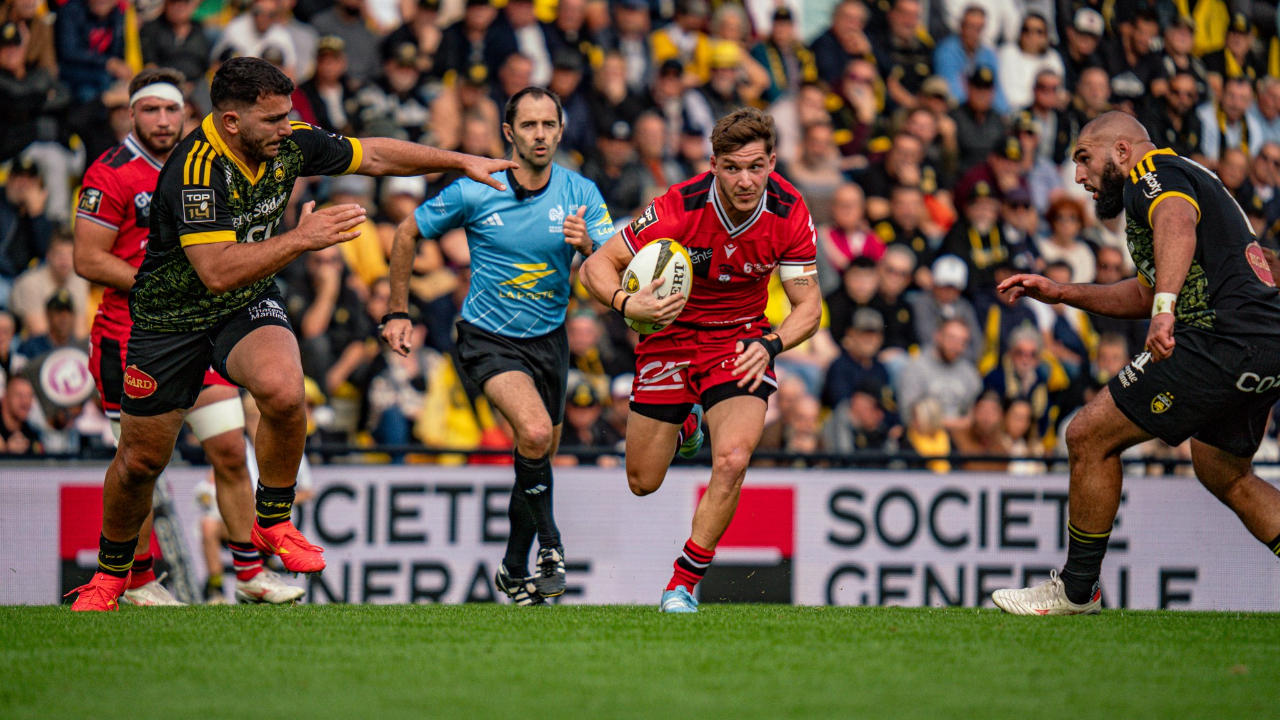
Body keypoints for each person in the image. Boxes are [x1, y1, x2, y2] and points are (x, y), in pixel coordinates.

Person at [66, 57, 515, 612]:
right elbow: (216, 271)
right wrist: (303, 239)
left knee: (283, 390)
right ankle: (113, 577)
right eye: (275, 118)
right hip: (170, 319)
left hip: (243, 302)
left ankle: (273, 522)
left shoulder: (286, 140)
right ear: (232, 123)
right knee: (140, 462)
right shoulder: (195, 168)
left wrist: (458, 160)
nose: (289, 127)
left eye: (289, 115)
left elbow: (370, 152)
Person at [993, 111, 1280, 615]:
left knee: (1088, 435)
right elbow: (1144, 291)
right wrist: (1063, 292)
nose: (1079, 175)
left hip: (1220, 337)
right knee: (1224, 472)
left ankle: (1077, 590)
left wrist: (1166, 311)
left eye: (1084, 158)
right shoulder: (1187, 177)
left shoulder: (1152, 175)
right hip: (1265, 342)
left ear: (1122, 151)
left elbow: (1175, 225)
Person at [580, 106, 822, 613]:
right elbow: (597, 265)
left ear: (773, 161)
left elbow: (810, 307)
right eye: (732, 167)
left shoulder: (790, 211)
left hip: (740, 342)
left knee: (733, 459)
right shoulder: (678, 205)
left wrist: (772, 344)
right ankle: (689, 419)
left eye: (756, 166)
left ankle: (683, 584)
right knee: (643, 482)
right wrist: (627, 303)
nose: (745, 179)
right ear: (713, 164)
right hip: (670, 335)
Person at [384, 86, 613, 607]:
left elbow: (612, 262)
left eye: (547, 125)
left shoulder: (581, 192)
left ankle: (512, 568)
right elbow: (405, 232)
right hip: (489, 338)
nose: (538, 134)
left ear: (560, 130)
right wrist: (398, 311)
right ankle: (551, 551)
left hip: (550, 340)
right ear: (509, 134)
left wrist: (589, 247)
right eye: (528, 125)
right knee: (532, 433)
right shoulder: (476, 188)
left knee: (538, 453)